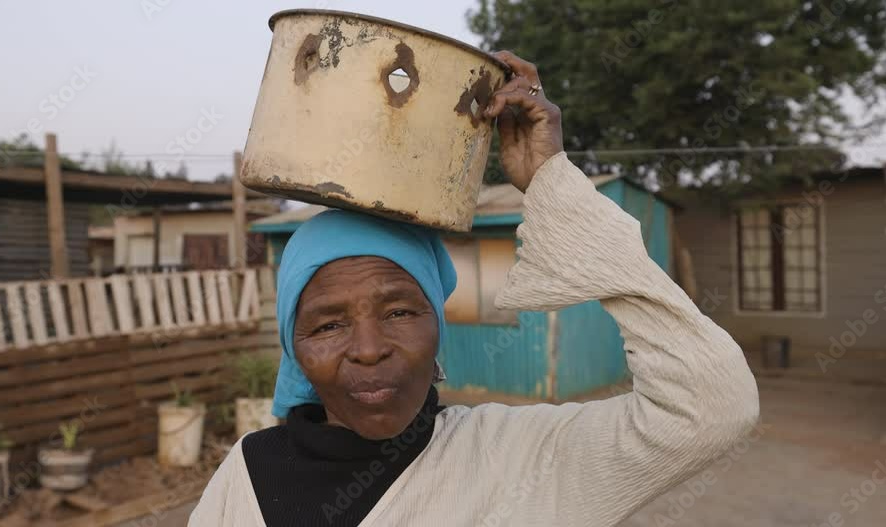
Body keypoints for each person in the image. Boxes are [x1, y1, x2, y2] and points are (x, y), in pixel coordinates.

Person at [190, 50, 759, 527]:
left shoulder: (516, 458)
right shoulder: (245, 475)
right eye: (329, 324)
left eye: (399, 312)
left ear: (439, 320)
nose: (368, 349)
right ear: (293, 346)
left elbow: (710, 408)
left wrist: (551, 182)